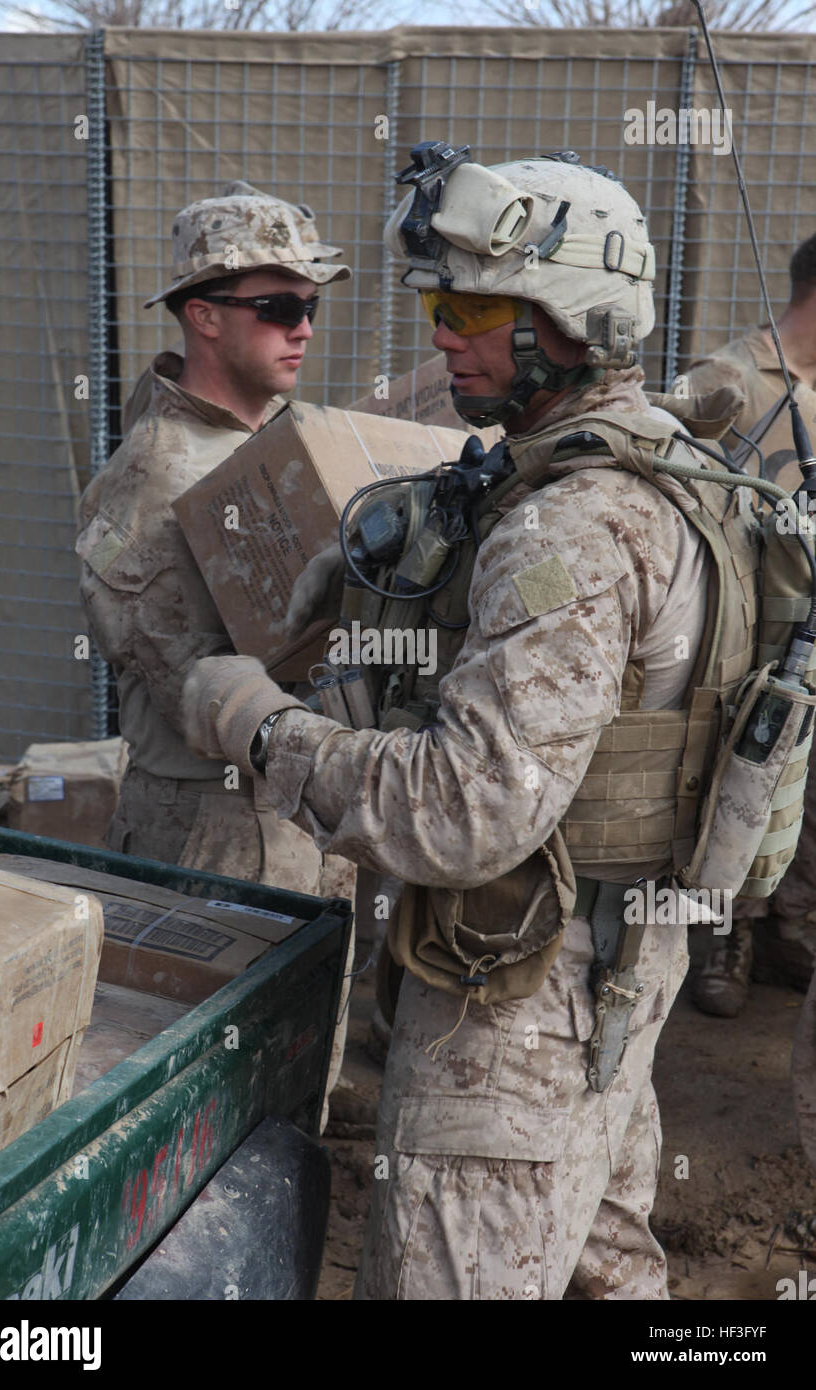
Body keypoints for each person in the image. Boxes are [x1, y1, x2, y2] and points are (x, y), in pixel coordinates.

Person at [180, 145, 765, 1299]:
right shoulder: (669, 469)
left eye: (471, 307)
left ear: (568, 322)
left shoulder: (572, 530)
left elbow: (464, 809)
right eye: (437, 302)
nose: (440, 330)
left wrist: (256, 725)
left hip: (510, 1027)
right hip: (611, 985)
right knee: (605, 1264)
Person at [76, 184, 352, 894]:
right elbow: (182, 684)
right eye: (279, 309)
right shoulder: (154, 474)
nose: (304, 330)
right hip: (218, 834)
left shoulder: (282, 442)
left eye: (311, 308)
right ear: (203, 316)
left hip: (301, 814)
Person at [684, 233, 816, 1017]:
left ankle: (780, 927)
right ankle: (725, 936)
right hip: (747, 639)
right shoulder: (729, 380)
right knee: (742, 783)